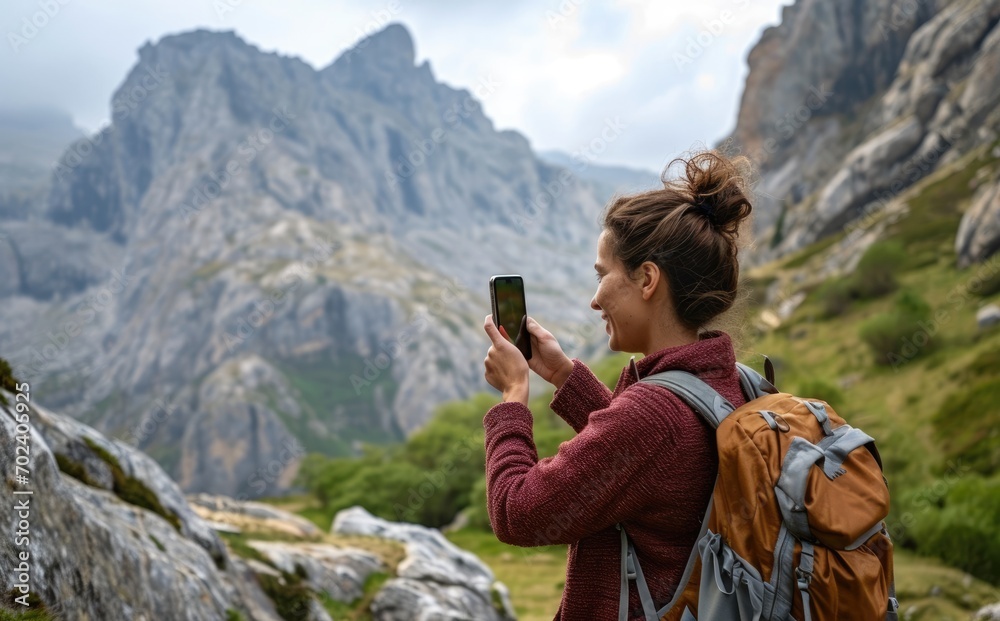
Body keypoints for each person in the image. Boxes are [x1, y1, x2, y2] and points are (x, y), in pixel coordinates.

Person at [482, 149, 754, 620]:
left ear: (647, 279)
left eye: (602, 275)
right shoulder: (729, 381)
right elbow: (649, 461)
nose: (594, 299)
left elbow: (518, 512)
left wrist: (513, 397)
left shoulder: (654, 414)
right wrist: (565, 377)